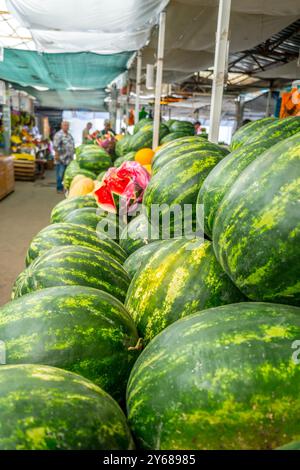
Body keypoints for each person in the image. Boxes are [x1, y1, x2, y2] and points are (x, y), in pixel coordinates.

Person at [53, 121, 75, 193]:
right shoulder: (58, 135)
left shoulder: (69, 135)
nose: (66, 127)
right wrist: (57, 155)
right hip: (61, 158)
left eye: (67, 125)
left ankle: (65, 188)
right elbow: (55, 146)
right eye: (65, 125)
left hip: (68, 159)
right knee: (60, 174)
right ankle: (59, 188)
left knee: (66, 174)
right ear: (61, 126)